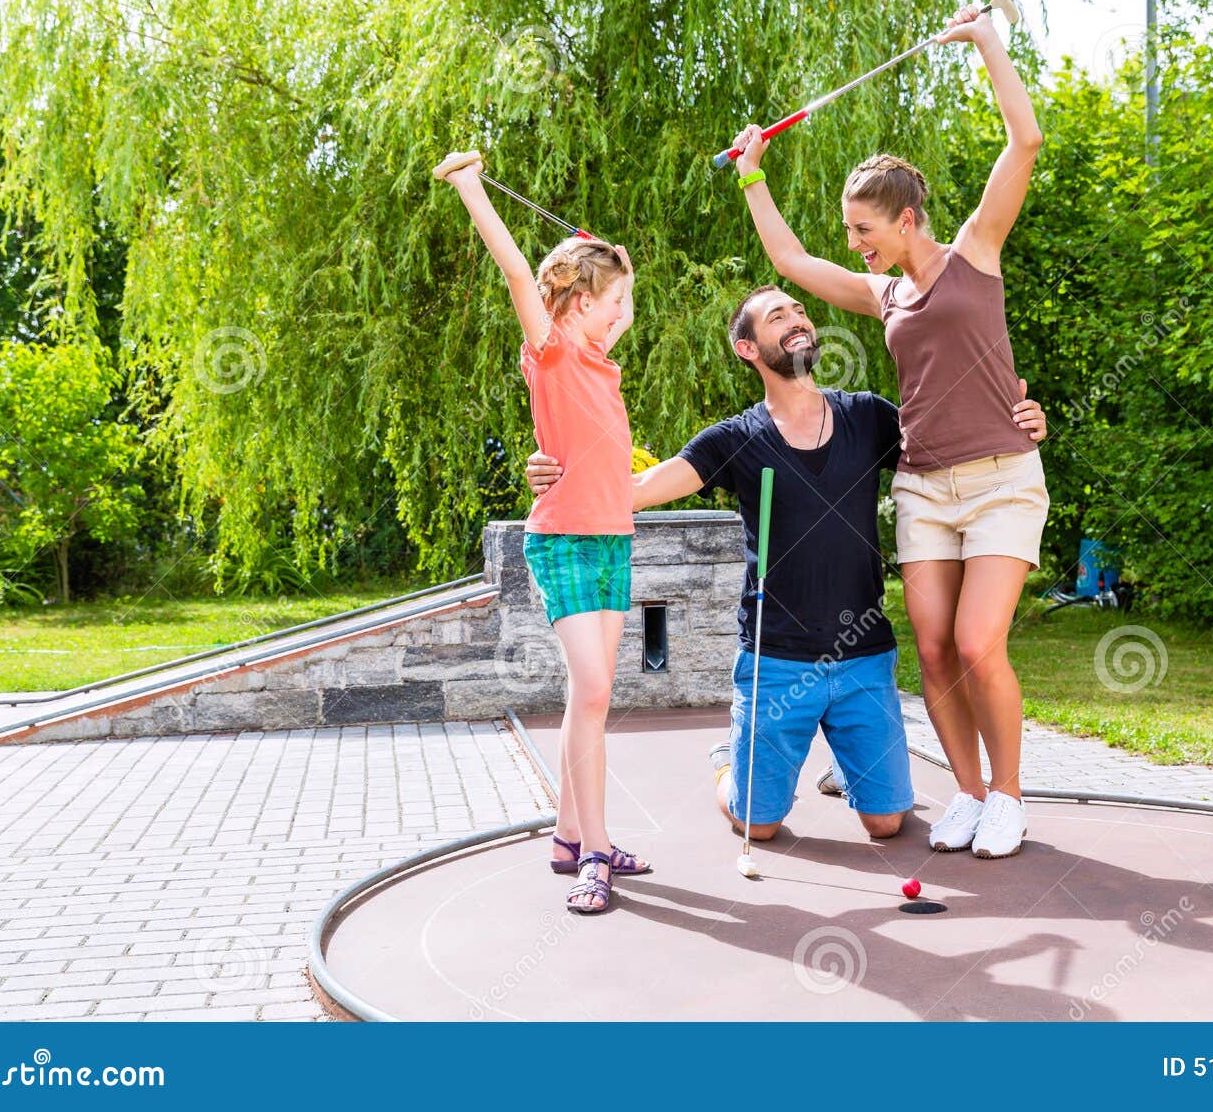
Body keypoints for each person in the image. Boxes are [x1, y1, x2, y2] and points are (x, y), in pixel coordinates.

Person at [528, 285, 1047, 845]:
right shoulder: (735, 438)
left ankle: (847, 761)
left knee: (886, 823)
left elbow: (952, 447)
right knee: (760, 823)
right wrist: (558, 476)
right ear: (747, 348)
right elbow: (634, 490)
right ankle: (730, 763)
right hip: (775, 662)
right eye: (777, 317)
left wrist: (1018, 424)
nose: (797, 319)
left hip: (864, 658)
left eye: (799, 310)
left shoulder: (869, 416)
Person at [726, 1, 1048, 857]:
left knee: (981, 641)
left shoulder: (978, 250)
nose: (854, 243)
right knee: (936, 649)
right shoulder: (885, 295)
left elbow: (1024, 144)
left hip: (1001, 477)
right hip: (923, 485)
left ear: (906, 219)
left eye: (863, 229)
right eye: (849, 232)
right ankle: (970, 796)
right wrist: (754, 173)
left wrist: (986, 44)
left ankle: (1011, 795)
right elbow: (792, 264)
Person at [435, 150, 649, 914]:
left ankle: (568, 836)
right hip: (561, 540)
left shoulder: (602, 366)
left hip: (612, 541)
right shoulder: (553, 352)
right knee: (592, 689)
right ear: (577, 302)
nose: (625, 313)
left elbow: (617, 311)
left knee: (588, 697)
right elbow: (522, 275)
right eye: (616, 300)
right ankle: (595, 851)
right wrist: (471, 188)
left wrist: (618, 268)